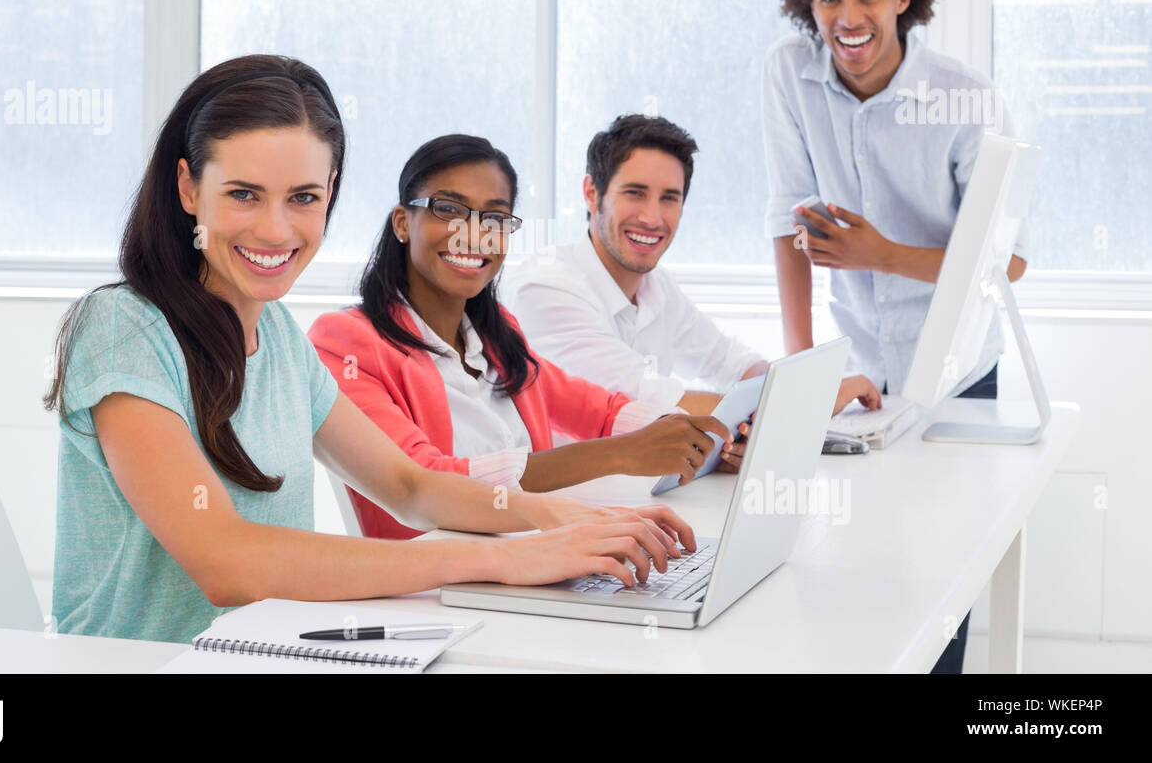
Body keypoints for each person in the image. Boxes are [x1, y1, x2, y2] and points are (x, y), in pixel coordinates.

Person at [43, 55, 695, 645]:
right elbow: (227, 562)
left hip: (258, 658)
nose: (276, 228)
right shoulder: (122, 329)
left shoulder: (277, 337)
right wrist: (502, 557)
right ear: (189, 189)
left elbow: (408, 485)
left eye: (304, 198)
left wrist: (563, 519)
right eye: (243, 194)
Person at [761, 0, 1029, 672]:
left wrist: (882, 254)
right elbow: (787, 221)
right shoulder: (788, 74)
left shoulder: (965, 100)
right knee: (845, 575)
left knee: (940, 581)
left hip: (953, 375)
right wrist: (805, 370)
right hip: (858, 372)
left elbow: (1007, 263)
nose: (848, 18)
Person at [308, 134, 741, 540]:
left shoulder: (496, 336)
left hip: (538, 556)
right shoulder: (344, 342)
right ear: (403, 223)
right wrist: (621, 453)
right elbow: (423, 478)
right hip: (436, 582)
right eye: (450, 210)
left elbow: (599, 410)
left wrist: (693, 438)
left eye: (494, 217)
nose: (474, 233)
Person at [504, 114, 880, 435]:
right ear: (591, 193)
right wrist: (805, 406)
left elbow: (730, 362)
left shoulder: (654, 285)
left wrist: (806, 388)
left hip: (634, 497)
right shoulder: (548, 286)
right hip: (559, 508)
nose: (652, 218)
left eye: (670, 198)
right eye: (635, 193)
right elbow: (646, 404)